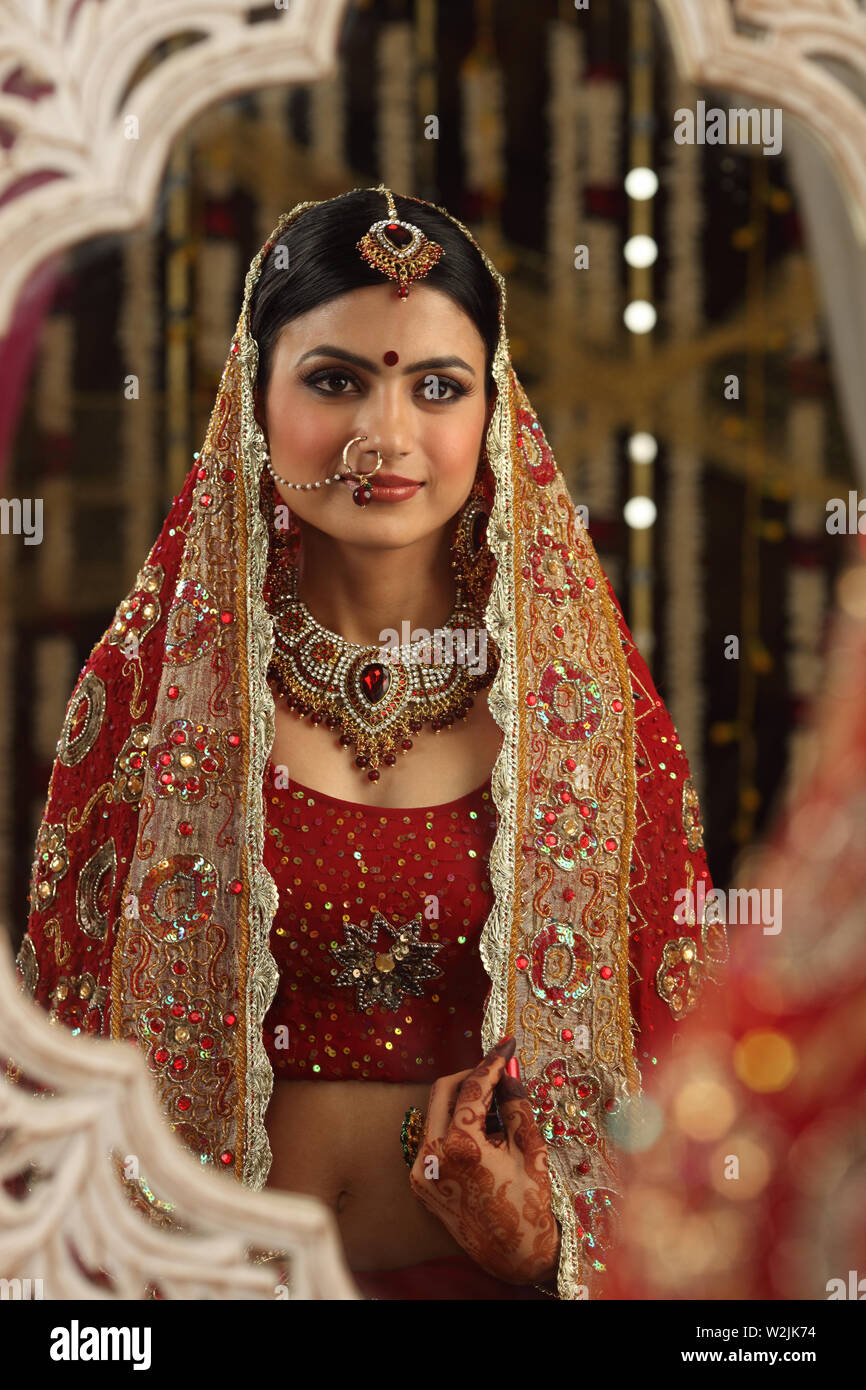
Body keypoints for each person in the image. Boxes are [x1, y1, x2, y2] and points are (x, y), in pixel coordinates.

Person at [13, 186, 728, 1300]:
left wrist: (548, 1249)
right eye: (335, 379)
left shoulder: (578, 716)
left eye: (435, 387)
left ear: (491, 414)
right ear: (253, 400)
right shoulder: (155, 689)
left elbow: (686, 1079)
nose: (382, 438)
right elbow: (59, 1058)